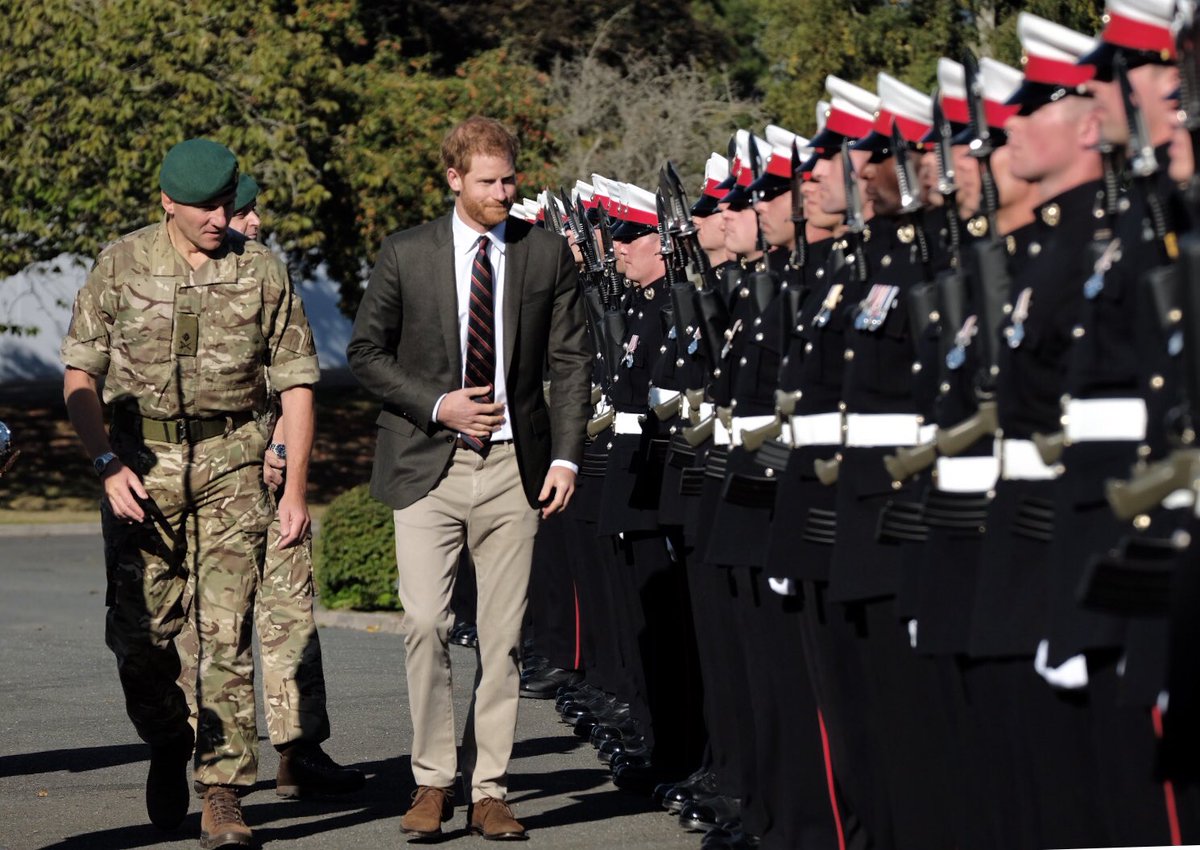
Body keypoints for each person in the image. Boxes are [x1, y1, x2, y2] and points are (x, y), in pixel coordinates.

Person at [61, 138, 320, 849]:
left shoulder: (263, 269)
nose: (219, 216)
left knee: (225, 633)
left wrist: (294, 488)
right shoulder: (120, 264)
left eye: (226, 201)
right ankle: (168, 739)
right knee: (138, 640)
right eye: (204, 205)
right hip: (141, 468)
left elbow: (296, 383)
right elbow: (80, 377)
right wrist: (106, 462)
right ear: (167, 203)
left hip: (235, 463)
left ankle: (224, 791)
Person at [346, 115, 592, 841]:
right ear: (453, 179)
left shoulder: (545, 255)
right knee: (425, 623)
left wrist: (567, 456)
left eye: (509, 179)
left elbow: (571, 363)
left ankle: (490, 788)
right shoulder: (406, 253)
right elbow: (365, 352)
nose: (502, 193)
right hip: (430, 464)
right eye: (487, 182)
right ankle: (431, 782)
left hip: (516, 469)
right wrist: (437, 403)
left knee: (504, 637)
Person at [227, 173, 365, 799]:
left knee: (290, 615)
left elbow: (295, 377)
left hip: (272, 463)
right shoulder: (163, 277)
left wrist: (283, 447)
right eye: (242, 211)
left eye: (256, 211)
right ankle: (214, 761)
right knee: (216, 626)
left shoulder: (269, 275)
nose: (255, 222)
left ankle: (298, 750)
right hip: (211, 479)